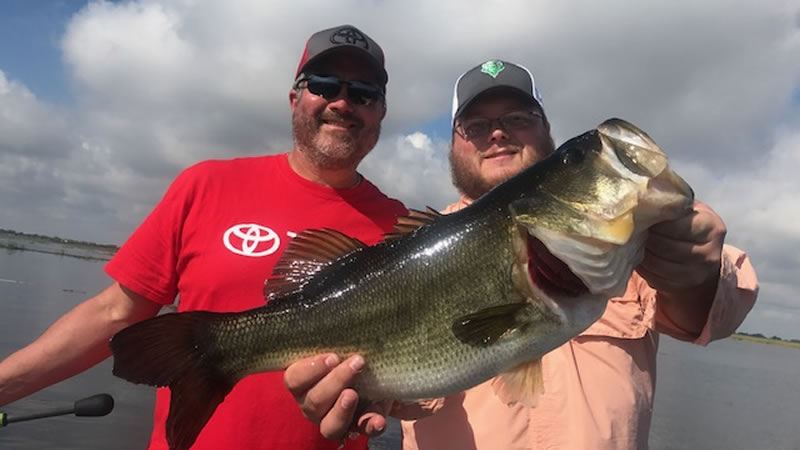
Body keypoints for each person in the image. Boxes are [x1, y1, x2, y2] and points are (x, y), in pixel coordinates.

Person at [284, 60, 759, 449]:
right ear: (454, 143)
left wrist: (695, 272)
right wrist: (364, 394)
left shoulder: (630, 240)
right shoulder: (411, 252)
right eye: (476, 125)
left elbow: (718, 311)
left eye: (518, 119)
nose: (498, 134)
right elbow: (402, 396)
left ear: (546, 129)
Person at [0, 24, 406, 450]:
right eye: (324, 85)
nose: (342, 102)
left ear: (380, 112)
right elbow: (113, 313)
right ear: (294, 98)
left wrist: (408, 403)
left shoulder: (402, 230)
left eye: (364, 93)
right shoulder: (207, 185)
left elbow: (421, 375)